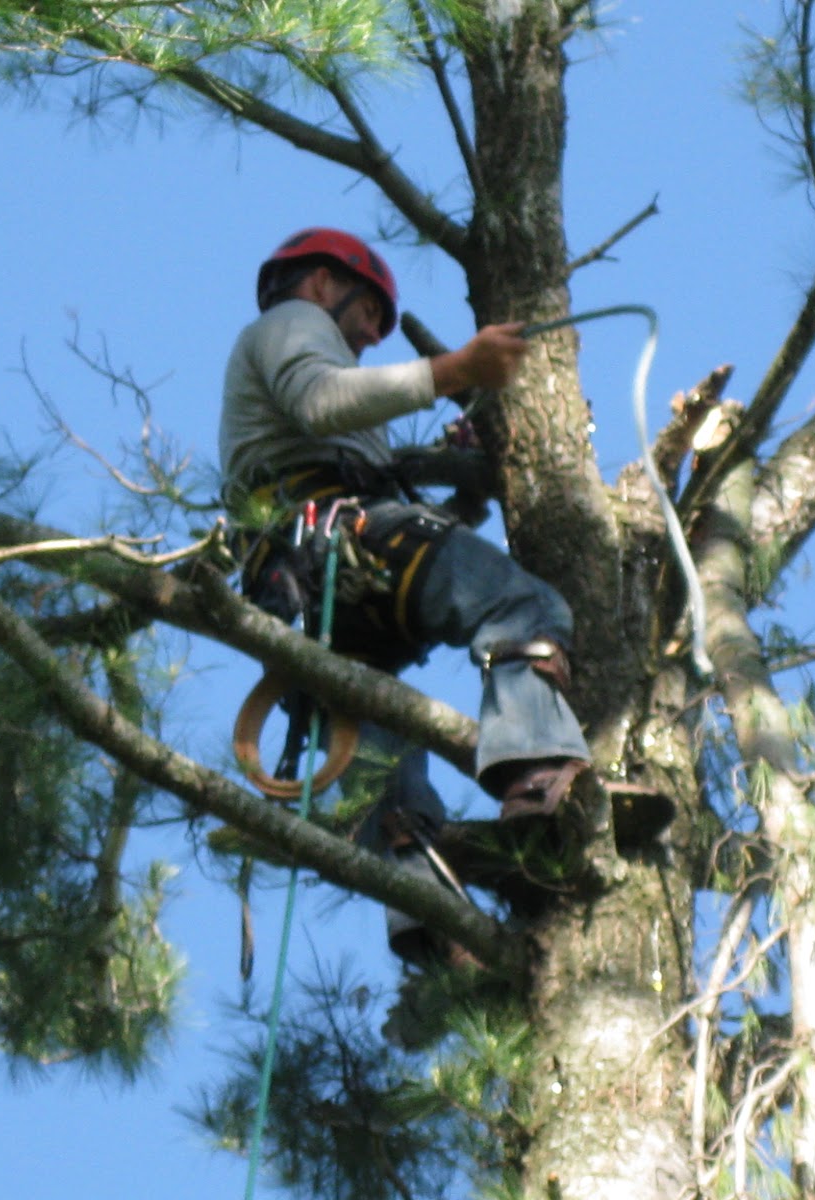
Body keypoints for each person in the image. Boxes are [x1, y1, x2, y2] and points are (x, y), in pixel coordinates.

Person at [220, 227, 592, 966]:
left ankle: (433, 925)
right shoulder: (292, 324)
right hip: (332, 549)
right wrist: (453, 368)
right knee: (523, 610)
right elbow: (326, 402)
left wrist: (461, 473)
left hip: (299, 587)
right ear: (323, 283)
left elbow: (369, 479)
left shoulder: (303, 379)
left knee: (387, 777)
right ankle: (535, 770)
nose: (369, 337)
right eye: (368, 315)